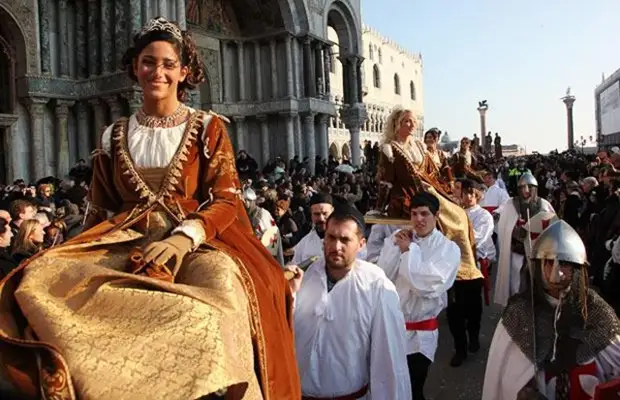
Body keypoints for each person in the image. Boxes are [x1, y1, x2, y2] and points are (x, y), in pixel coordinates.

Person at [0, 17, 300, 399]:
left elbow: (226, 198)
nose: (157, 71)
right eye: (148, 61)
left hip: (198, 241)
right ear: (134, 67)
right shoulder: (114, 134)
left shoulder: (208, 127)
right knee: (42, 279)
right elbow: (99, 209)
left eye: (168, 64)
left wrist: (181, 240)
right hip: (126, 237)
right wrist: (70, 250)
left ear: (184, 72)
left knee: (216, 305)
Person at [483, 220, 620, 399]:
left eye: (564, 263)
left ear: (577, 268)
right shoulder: (520, 311)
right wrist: (521, 391)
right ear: (538, 265)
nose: (557, 272)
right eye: (548, 262)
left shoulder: (594, 308)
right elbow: (503, 374)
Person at [287, 204, 412, 399]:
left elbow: (389, 360)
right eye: (331, 237)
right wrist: (290, 297)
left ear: (361, 244)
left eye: (345, 239)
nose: (336, 246)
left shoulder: (375, 285)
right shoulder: (305, 277)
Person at [374, 107, 479, 281]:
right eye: (406, 121)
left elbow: (433, 172)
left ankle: (461, 264)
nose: (411, 124)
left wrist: (446, 187)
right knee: (452, 221)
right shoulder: (389, 149)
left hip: (428, 189)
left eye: (413, 121)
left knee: (460, 215)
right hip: (406, 194)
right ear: (396, 124)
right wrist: (379, 206)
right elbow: (386, 181)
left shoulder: (418, 146)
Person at [376, 192, 460, 399]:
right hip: (394, 326)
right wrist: (396, 249)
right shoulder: (397, 239)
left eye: (424, 214)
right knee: (391, 384)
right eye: (414, 214)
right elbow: (382, 275)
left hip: (421, 333)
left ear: (436, 215)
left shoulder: (448, 249)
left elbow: (427, 285)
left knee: (414, 385)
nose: (419, 219)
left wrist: (408, 252)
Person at [448, 180, 495, 367]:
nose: (466, 196)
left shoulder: (483, 215)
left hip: (473, 267)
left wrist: (455, 234)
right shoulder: (452, 213)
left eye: (470, 193)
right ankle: (460, 348)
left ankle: (473, 336)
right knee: (454, 311)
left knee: (473, 309)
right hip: (452, 268)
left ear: (476, 195)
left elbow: (478, 238)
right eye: (463, 192)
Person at [494, 172, 554, 307]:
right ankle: (516, 301)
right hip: (518, 247)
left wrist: (535, 231)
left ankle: (537, 300)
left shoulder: (543, 204)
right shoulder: (511, 204)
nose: (526, 191)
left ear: (535, 188)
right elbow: (505, 225)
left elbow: (551, 225)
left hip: (537, 248)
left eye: (529, 187)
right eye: (522, 187)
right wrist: (515, 231)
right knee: (515, 274)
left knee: (537, 275)